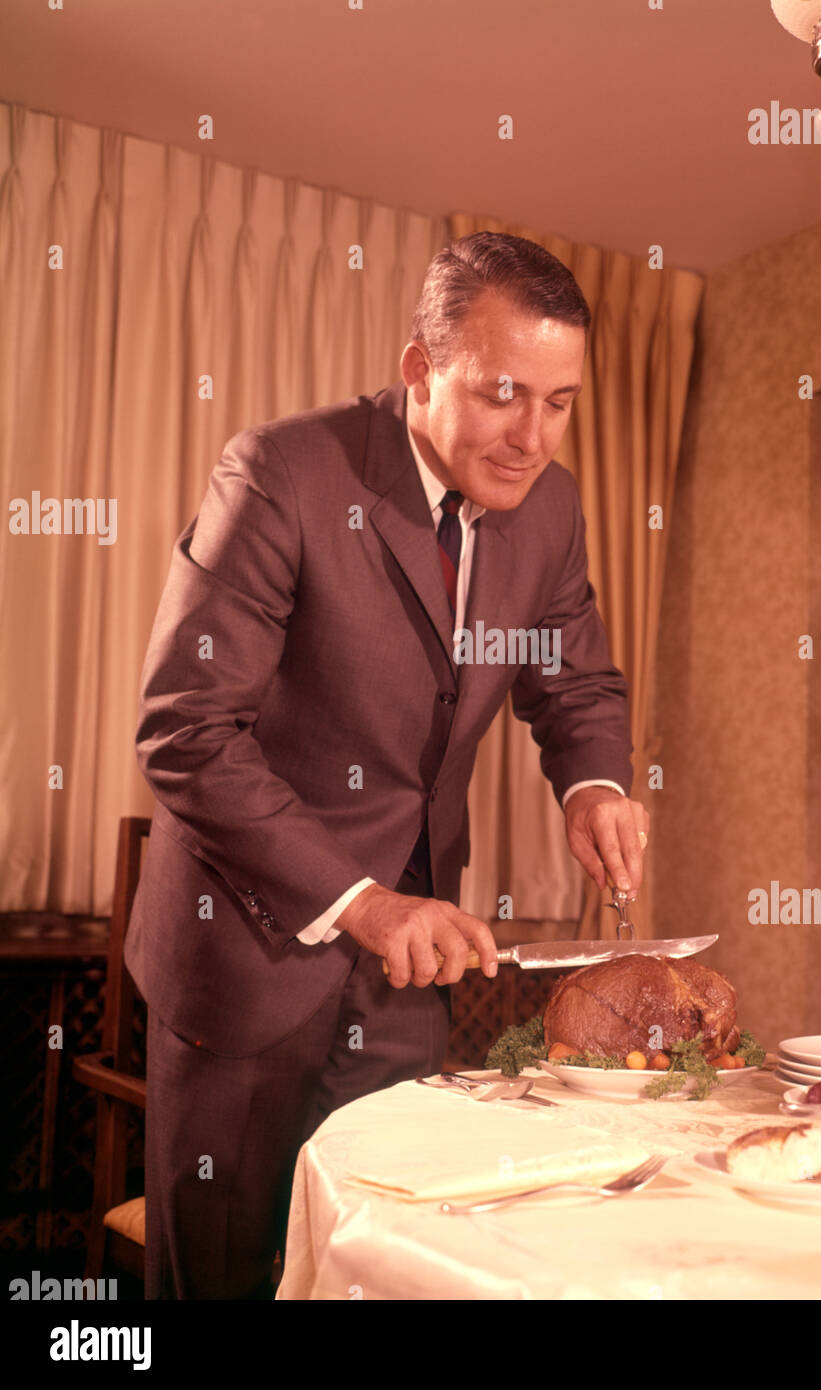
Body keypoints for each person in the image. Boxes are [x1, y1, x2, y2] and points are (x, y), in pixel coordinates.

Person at [125, 231, 649, 1299]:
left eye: (559, 401)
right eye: (504, 393)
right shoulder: (282, 472)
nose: (533, 436)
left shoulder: (548, 508)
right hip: (244, 964)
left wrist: (592, 780)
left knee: (387, 1264)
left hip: (411, 975)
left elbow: (573, 679)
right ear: (420, 367)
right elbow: (185, 729)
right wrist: (360, 900)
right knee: (223, 1276)